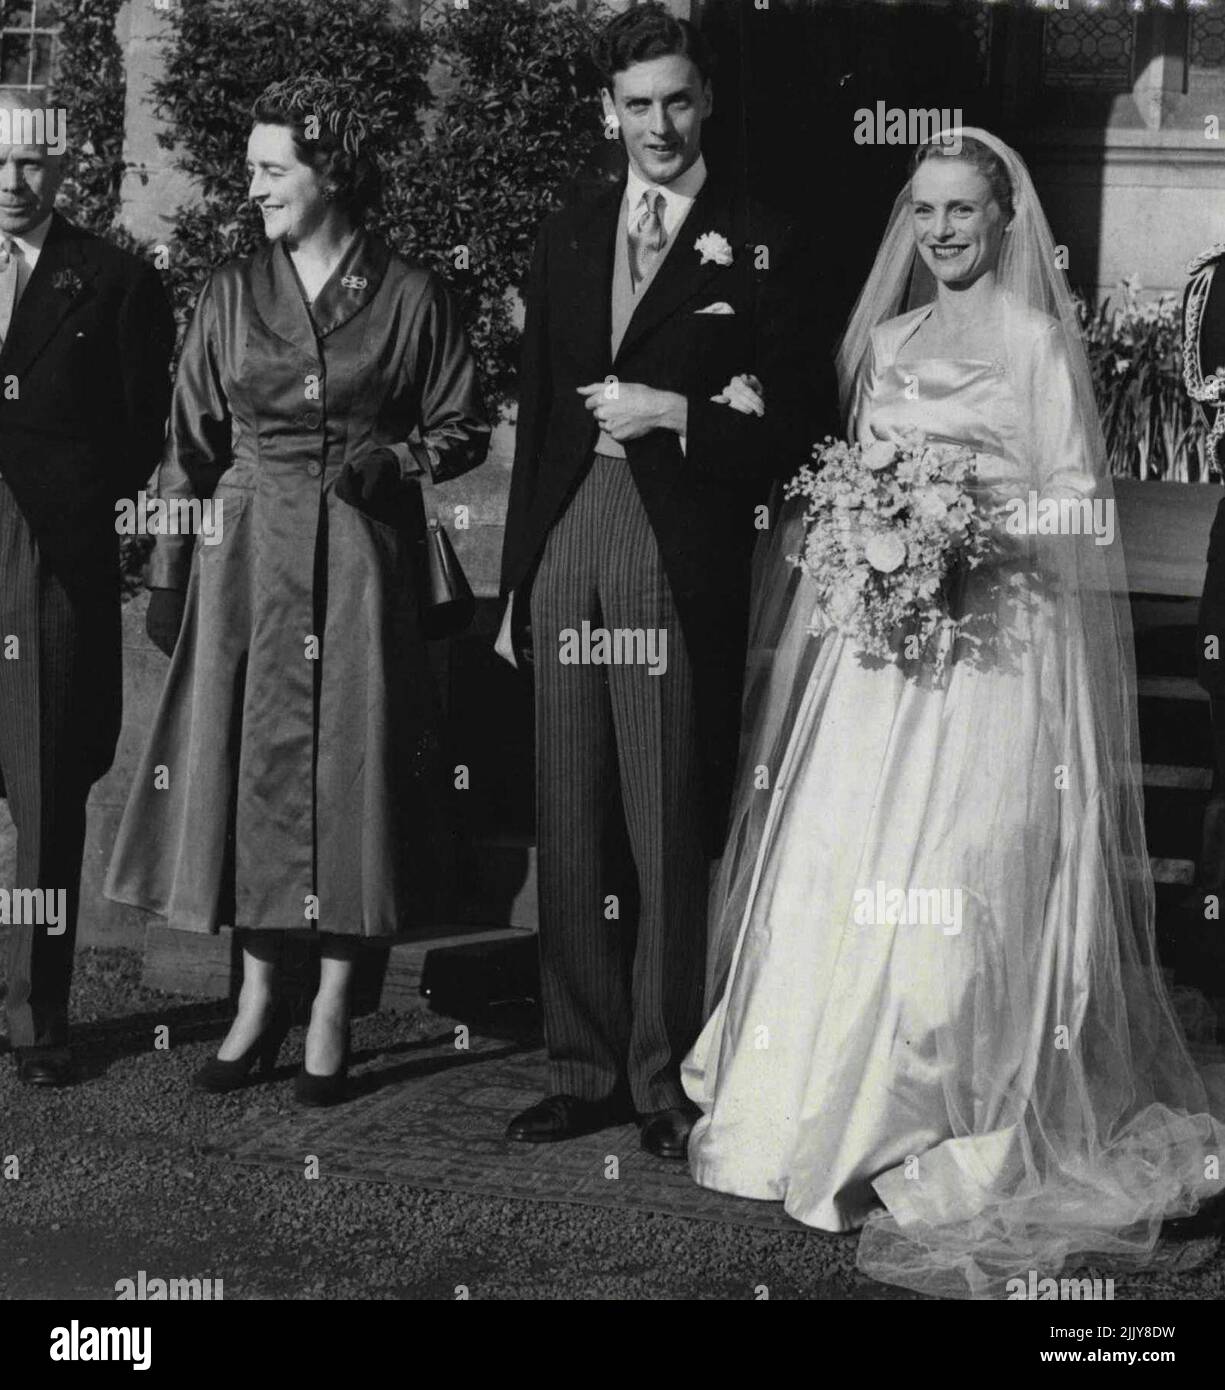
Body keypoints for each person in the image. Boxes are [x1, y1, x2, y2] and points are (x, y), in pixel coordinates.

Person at [683, 127, 1225, 1297]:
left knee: (965, 884)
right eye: (923, 211)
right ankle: (815, 1112)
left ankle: (952, 1113)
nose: (940, 232)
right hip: (884, 663)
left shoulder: (1035, 346)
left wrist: (964, 530)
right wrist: (868, 535)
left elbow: (1079, 503)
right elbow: (862, 474)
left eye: (961, 212)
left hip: (996, 657)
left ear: (1002, 218)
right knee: (840, 866)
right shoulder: (885, 341)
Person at [104, 74, 489, 1106]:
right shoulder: (231, 290)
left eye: (274, 171)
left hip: (360, 560)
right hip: (245, 559)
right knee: (252, 780)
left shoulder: (411, 292)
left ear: (332, 173)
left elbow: (465, 422)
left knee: (347, 777)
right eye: (250, 172)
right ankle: (255, 999)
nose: (255, 189)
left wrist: (397, 462)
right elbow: (188, 445)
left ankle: (330, 1008)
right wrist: (170, 571)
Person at [496, 2, 822, 1157]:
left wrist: (679, 411)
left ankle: (662, 1076)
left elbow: (798, 419)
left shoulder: (762, 232)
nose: (658, 125)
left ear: (706, 101)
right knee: (571, 814)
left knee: (666, 813)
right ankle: (580, 1066)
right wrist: (512, 583)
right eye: (636, 105)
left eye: (677, 100)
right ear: (608, 112)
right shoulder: (569, 228)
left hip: (675, 544)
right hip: (566, 537)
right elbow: (538, 410)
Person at [0, 90, 174, 1086]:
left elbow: (137, 425)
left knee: (44, 789)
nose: (12, 185)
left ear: (64, 169)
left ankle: (37, 1013)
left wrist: (70, 507)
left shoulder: (109, 281)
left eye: (31, 165)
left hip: (46, 559)